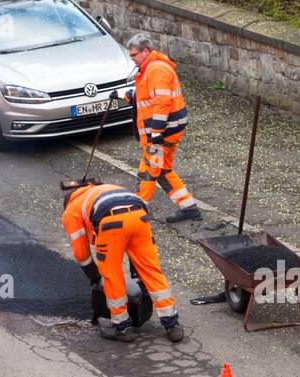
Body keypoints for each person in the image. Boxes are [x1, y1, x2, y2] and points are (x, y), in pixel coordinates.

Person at [61, 178, 185, 343]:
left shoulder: (71, 211)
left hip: (111, 223)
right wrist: (136, 269)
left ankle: (122, 327)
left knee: (112, 275)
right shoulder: (105, 188)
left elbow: (81, 253)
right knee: (150, 269)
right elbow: (137, 206)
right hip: (140, 216)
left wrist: (94, 275)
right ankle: (172, 324)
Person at [126, 33, 201, 223]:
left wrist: (156, 133)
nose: (131, 58)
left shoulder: (156, 69)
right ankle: (189, 207)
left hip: (163, 132)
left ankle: (139, 210)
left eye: (134, 55)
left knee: (149, 169)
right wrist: (127, 96)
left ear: (145, 51)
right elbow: (148, 96)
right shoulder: (150, 68)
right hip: (166, 130)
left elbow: (162, 102)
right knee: (162, 170)